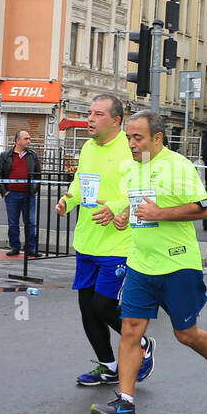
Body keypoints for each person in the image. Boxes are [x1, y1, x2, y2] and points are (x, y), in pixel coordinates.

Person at [90, 110, 207, 414]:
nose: (131, 143)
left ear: (157, 138)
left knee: (185, 334)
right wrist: (122, 212)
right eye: (128, 137)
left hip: (178, 262)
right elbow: (134, 200)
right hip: (140, 262)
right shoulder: (131, 168)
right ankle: (126, 403)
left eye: (137, 137)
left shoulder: (177, 166)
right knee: (130, 330)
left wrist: (161, 213)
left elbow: (204, 209)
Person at [56, 95, 155, 388]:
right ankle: (109, 366)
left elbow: (145, 189)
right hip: (87, 241)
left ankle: (142, 344)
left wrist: (117, 208)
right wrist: (67, 201)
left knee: (103, 305)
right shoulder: (86, 147)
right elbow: (80, 185)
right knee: (87, 307)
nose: (89, 118)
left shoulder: (133, 149)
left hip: (118, 244)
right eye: (89, 113)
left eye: (97, 114)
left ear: (115, 121)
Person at [0, 129, 41, 257]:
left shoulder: (33, 155)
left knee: (30, 222)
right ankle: (15, 247)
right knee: (13, 222)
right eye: (26, 138)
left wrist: (34, 189)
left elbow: (38, 174)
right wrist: (5, 192)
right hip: (12, 195)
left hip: (28, 194)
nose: (29, 141)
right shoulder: (6, 155)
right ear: (17, 141)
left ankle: (31, 248)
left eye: (29, 138)